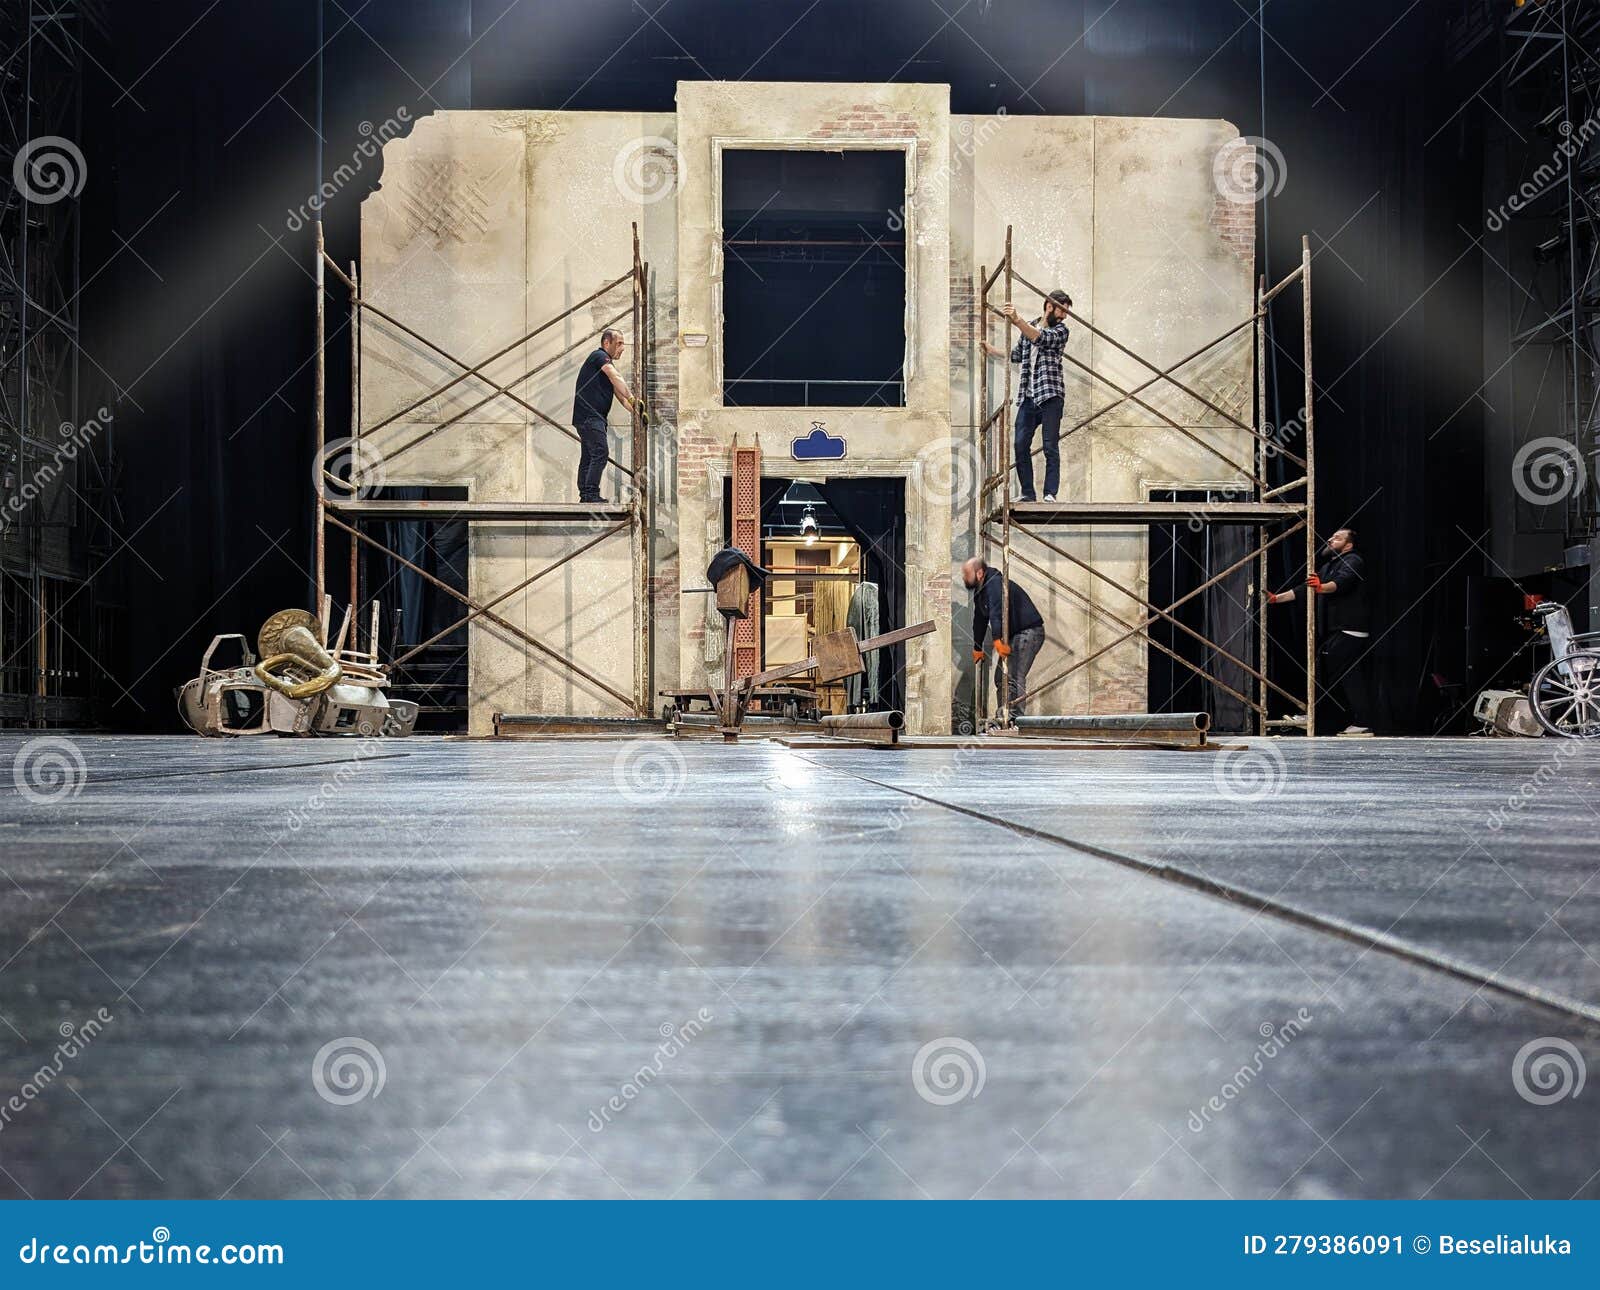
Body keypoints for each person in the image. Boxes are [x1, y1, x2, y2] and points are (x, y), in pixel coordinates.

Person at [1268, 527, 1374, 735]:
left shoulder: (1353, 560)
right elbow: (1304, 589)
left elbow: (1340, 583)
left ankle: (1355, 721)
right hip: (1338, 631)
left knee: (1336, 673)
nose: (1331, 539)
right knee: (1332, 674)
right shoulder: (1329, 566)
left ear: (1348, 545)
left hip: (1350, 630)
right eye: (1332, 536)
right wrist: (1276, 598)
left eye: (1338, 538)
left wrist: (1321, 587)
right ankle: (1321, 715)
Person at [984, 288, 1072, 503]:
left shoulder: (1061, 331)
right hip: (1029, 397)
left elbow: (1040, 338)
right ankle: (1028, 494)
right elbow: (1017, 355)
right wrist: (992, 350)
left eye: (1066, 312)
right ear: (1049, 306)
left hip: (1050, 396)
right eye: (1061, 311)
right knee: (1020, 444)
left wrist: (1016, 320)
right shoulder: (1030, 326)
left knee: (1050, 445)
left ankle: (1050, 493)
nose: (1064, 316)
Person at [962, 555, 1046, 718]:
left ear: (979, 573)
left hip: (1029, 632)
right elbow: (979, 620)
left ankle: (1015, 717)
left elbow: (997, 612)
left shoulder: (994, 583)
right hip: (1014, 635)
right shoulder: (980, 591)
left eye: (967, 574)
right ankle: (1004, 716)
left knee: (1013, 676)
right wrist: (977, 647)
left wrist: (997, 640)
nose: (964, 578)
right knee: (1001, 677)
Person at [570, 329, 641, 503]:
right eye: (619, 343)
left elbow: (620, 396)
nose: (623, 348)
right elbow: (615, 377)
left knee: (589, 455)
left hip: (590, 418)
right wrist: (633, 398)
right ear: (606, 343)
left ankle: (586, 495)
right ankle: (591, 494)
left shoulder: (605, 366)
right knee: (600, 452)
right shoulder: (599, 356)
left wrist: (636, 411)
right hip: (590, 417)